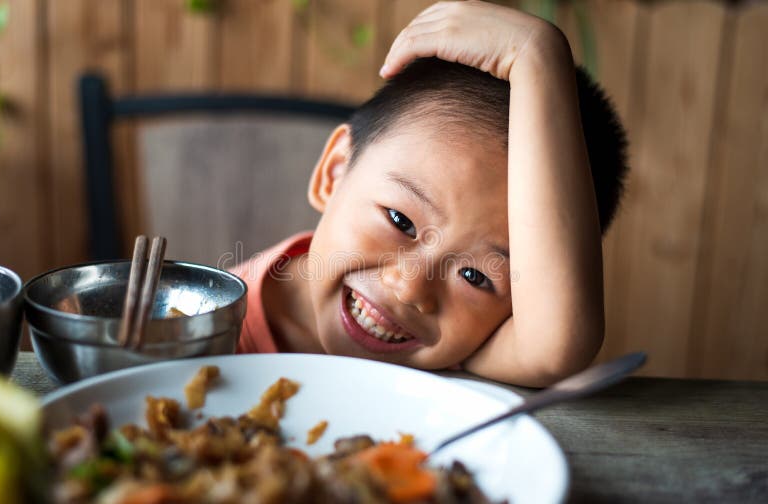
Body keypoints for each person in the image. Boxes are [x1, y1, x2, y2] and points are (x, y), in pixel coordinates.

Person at [228, 0, 628, 387]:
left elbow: (558, 344)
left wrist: (536, 56)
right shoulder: (205, 337)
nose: (411, 288)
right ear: (334, 173)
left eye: (475, 276)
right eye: (400, 221)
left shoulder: (459, 344)